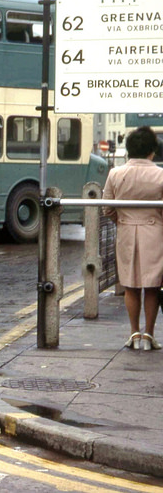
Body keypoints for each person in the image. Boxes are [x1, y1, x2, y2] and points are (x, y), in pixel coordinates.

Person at [102, 126, 163, 351]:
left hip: (126, 232)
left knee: (130, 285)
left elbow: (107, 207)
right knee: (153, 286)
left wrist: (122, 220)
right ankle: (149, 335)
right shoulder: (160, 175)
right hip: (155, 233)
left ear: (128, 150)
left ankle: (134, 332)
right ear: (152, 151)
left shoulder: (115, 174)